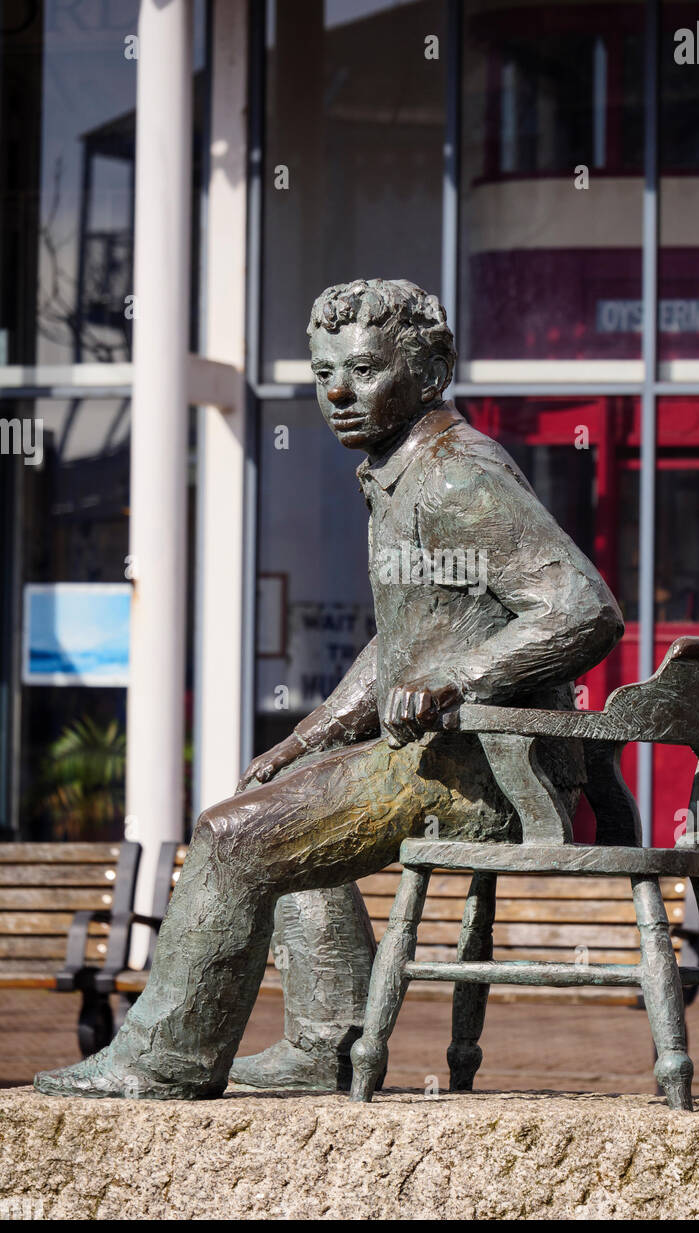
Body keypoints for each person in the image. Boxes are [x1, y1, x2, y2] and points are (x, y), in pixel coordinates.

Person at [35, 278, 623, 1099]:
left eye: (366, 371)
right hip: (445, 753)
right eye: (322, 374)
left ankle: (162, 1062)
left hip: (486, 767)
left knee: (235, 841)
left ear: (432, 371)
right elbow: (400, 644)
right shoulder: (398, 475)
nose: (338, 394)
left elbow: (583, 609)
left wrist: (455, 680)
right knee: (280, 809)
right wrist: (306, 739)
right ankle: (326, 1044)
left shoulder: (457, 477)